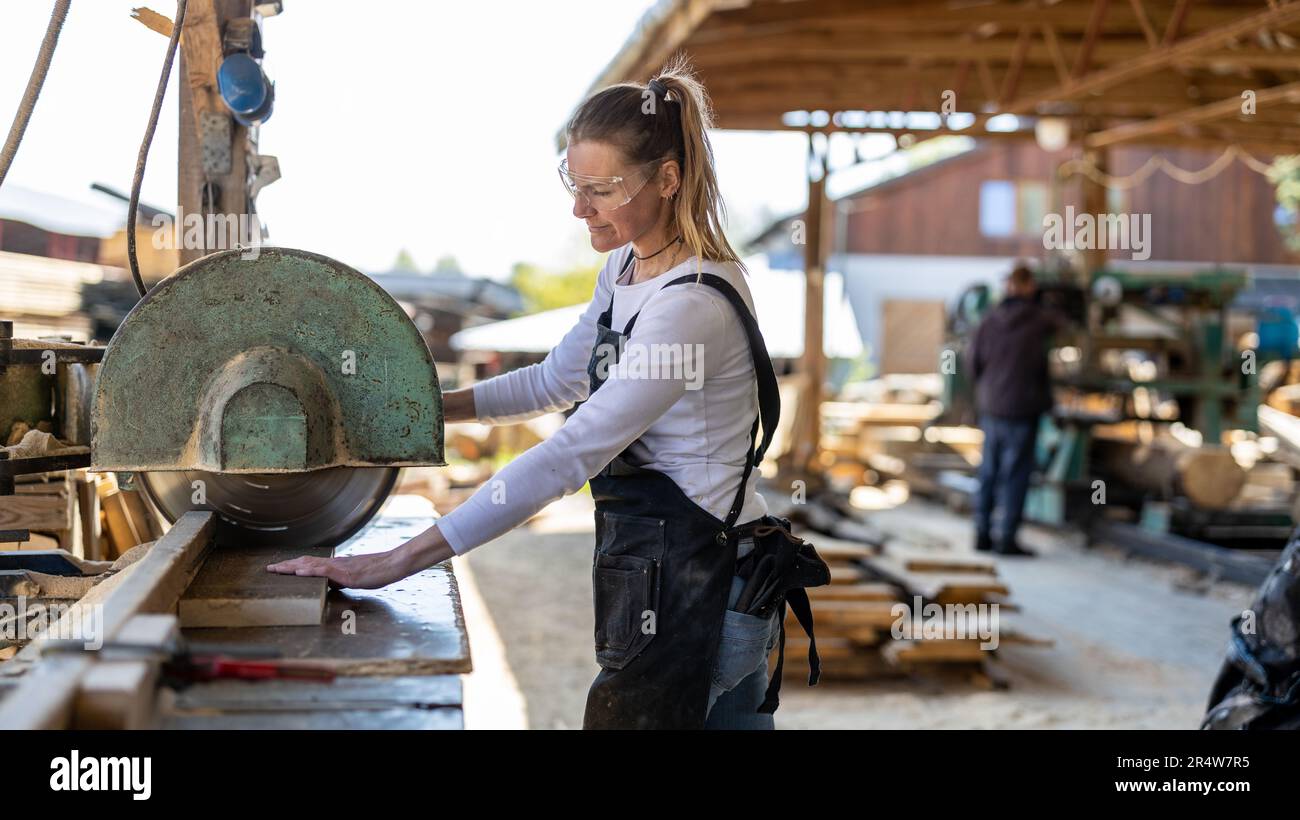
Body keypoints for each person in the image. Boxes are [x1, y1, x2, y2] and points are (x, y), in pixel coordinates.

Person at [268, 60, 787, 729]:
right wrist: (421, 409)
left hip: (708, 584)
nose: (580, 208)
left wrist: (399, 559)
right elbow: (553, 380)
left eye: (602, 189)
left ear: (667, 179)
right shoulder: (626, 268)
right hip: (665, 568)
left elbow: (571, 453)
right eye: (575, 185)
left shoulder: (690, 304)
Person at [967, 264, 1063, 557]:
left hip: (992, 407)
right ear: (1031, 286)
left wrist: (988, 391)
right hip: (1022, 408)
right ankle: (1007, 538)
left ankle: (982, 535)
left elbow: (972, 364)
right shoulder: (1038, 320)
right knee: (1016, 475)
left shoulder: (988, 320)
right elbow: (1066, 325)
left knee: (989, 472)